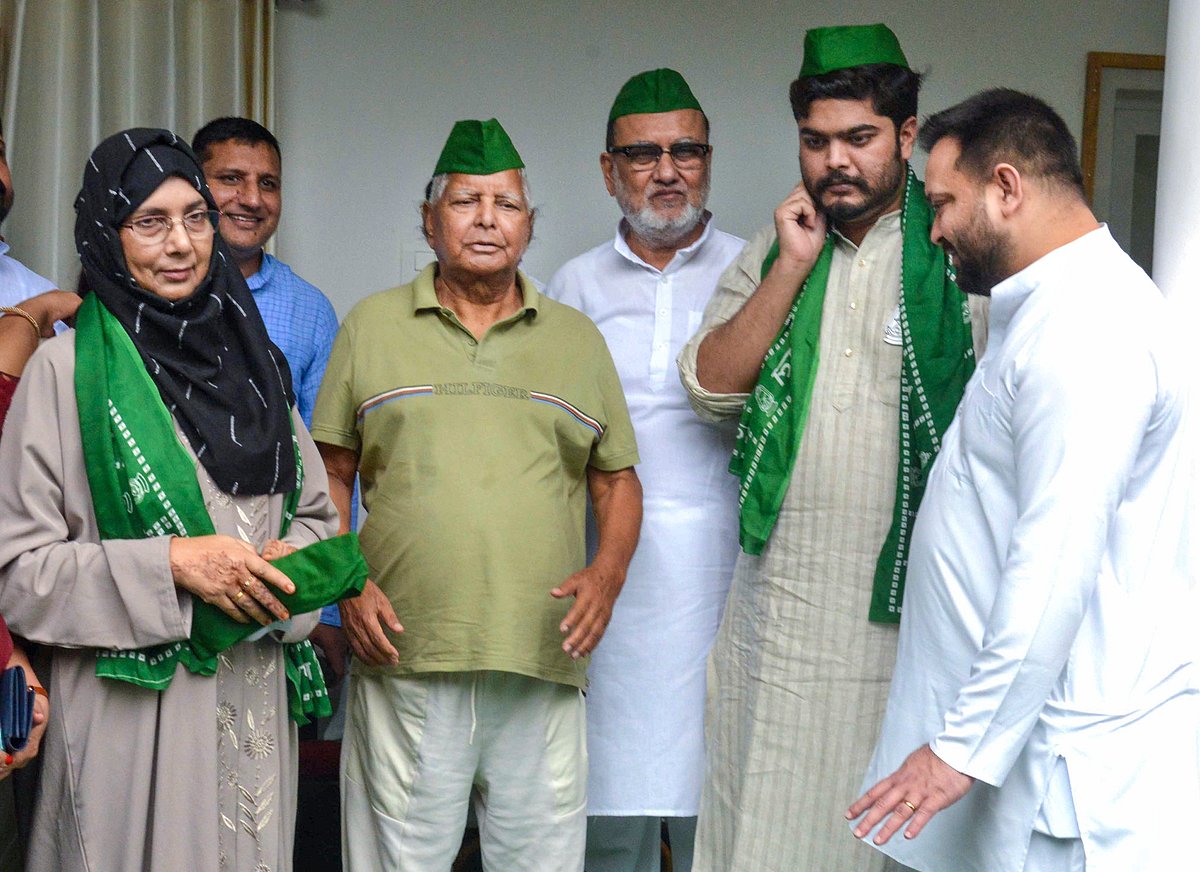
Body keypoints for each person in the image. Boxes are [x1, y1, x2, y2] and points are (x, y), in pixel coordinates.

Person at [848, 89, 1199, 872]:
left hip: (1062, 794)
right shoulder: (1048, 311)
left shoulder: (1088, 329)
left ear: (1006, 188)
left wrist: (960, 750)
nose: (932, 227)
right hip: (1019, 773)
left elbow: (1056, 558)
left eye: (941, 202)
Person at [677, 23, 985, 871]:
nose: (834, 161)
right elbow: (710, 390)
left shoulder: (957, 258)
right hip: (775, 628)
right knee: (760, 833)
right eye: (816, 141)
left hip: (908, 627)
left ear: (908, 136)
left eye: (858, 138)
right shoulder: (771, 252)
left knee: (880, 837)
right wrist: (790, 267)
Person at [0, 128, 343, 872]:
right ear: (106, 232)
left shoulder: (258, 368)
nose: (181, 243)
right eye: (150, 222)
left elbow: (316, 517)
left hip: (254, 710)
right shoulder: (64, 373)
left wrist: (294, 568)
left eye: (195, 217)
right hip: (132, 729)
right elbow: (22, 578)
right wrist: (172, 564)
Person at [311, 118, 642, 871]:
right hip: (402, 653)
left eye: (507, 204)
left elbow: (616, 479)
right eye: (466, 202)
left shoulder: (575, 339)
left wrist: (608, 574)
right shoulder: (371, 325)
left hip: (542, 654)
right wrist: (347, 587)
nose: (488, 219)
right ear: (429, 221)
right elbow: (327, 473)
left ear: (529, 227)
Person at [545, 68, 742, 872]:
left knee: (721, 801)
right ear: (608, 170)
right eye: (643, 154)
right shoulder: (571, 287)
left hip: (730, 578)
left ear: (708, 160)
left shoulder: (759, 272)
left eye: (685, 151)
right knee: (608, 805)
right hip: (609, 579)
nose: (667, 171)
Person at [192, 116, 349, 686]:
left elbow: (328, 469)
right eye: (230, 179)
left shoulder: (309, 311)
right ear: (192, 183)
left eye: (269, 183)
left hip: (277, 586)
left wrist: (325, 607)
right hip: (176, 574)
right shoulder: (146, 298)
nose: (251, 199)